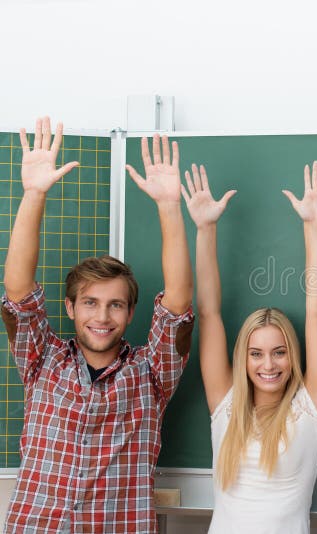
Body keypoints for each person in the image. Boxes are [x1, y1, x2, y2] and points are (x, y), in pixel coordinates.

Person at [1, 117, 194, 532]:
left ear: (130, 311)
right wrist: (34, 193)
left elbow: (178, 301)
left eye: (115, 305)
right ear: (69, 308)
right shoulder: (42, 361)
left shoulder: (151, 374)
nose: (102, 317)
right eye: (90, 303)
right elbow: (17, 293)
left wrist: (168, 205)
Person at [182, 161, 317, 533]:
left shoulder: (311, 409)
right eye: (256, 354)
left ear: (292, 355)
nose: (269, 364)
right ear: (243, 359)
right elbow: (209, 311)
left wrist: (312, 228)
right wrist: (205, 229)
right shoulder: (226, 405)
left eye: (279, 352)